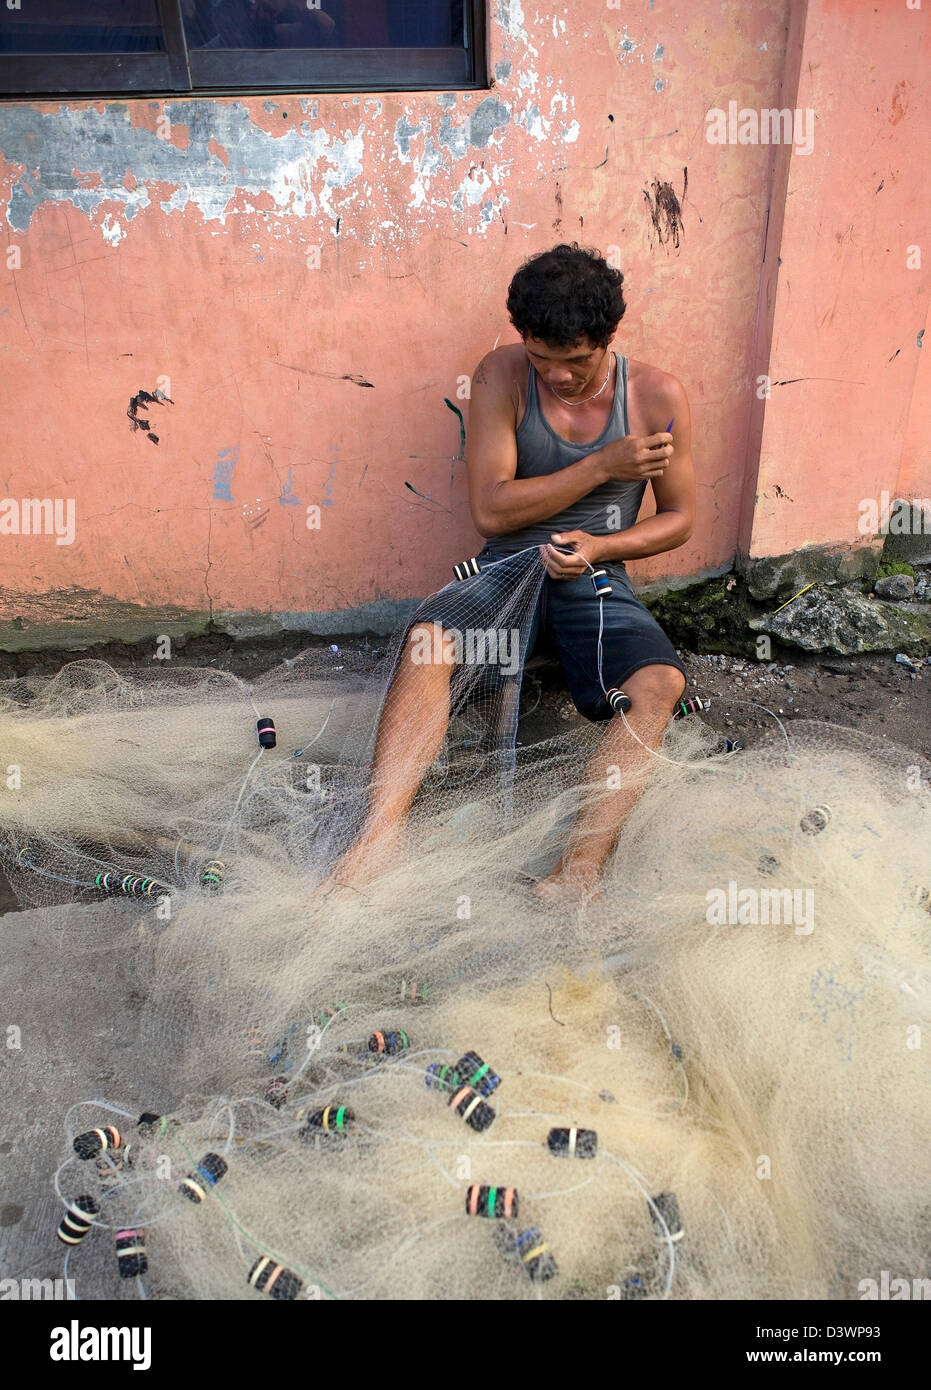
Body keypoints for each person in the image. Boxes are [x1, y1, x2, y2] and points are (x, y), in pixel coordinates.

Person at [319, 242, 695, 901]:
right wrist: (603, 466)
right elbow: (492, 511)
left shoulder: (657, 395)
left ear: (606, 339)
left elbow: (682, 518)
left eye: (575, 362)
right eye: (543, 360)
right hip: (500, 576)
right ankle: (378, 838)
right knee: (426, 643)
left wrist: (600, 549)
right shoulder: (499, 374)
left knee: (660, 682)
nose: (558, 378)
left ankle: (578, 871)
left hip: (593, 580)